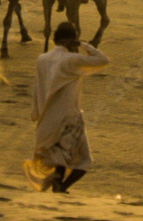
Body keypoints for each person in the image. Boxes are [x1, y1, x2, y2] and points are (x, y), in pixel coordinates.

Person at [23, 21, 109, 193]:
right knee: (85, 161)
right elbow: (103, 60)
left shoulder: (42, 59)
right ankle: (61, 187)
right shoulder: (71, 59)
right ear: (70, 40)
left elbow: (36, 87)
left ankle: (58, 186)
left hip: (48, 119)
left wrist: (36, 113)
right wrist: (84, 45)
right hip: (70, 118)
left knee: (59, 155)